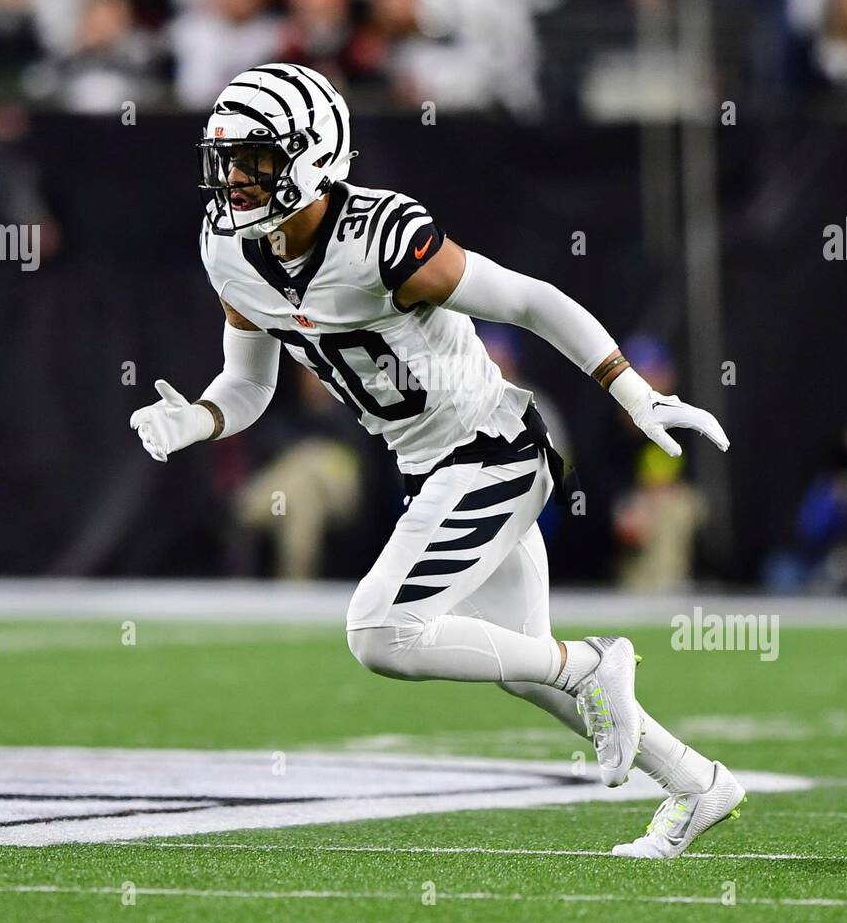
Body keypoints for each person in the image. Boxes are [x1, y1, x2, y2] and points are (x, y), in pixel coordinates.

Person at [129, 62, 742, 860]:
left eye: (258, 159)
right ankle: (699, 785)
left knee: (381, 631)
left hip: (494, 450)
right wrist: (201, 418)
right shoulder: (232, 250)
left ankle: (596, 665)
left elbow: (529, 300)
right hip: (432, 465)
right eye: (230, 160)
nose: (237, 180)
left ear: (312, 156)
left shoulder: (380, 237)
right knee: (527, 668)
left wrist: (631, 390)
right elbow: (248, 381)